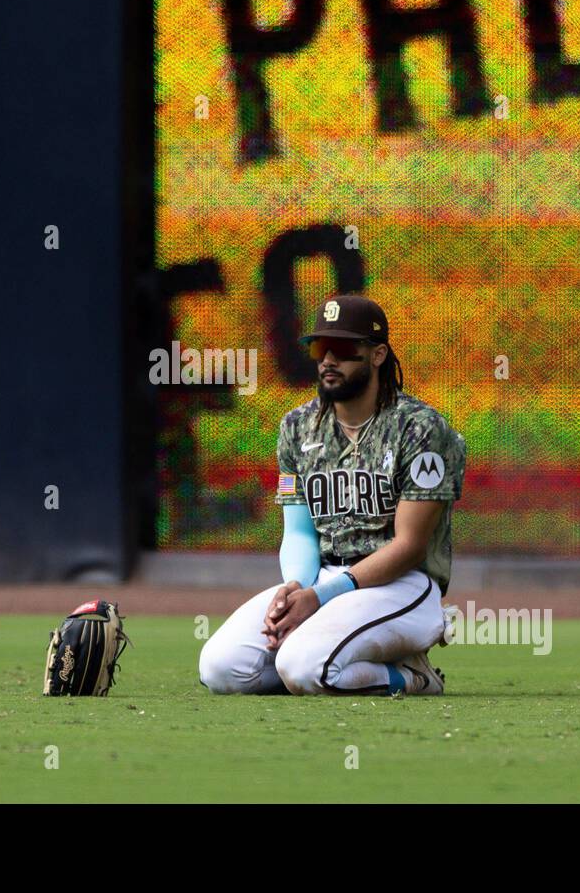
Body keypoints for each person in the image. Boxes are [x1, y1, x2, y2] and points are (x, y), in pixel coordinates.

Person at [198, 294, 466, 696]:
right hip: (321, 576)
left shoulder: (420, 429)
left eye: (342, 350)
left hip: (402, 586)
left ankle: (413, 678)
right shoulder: (299, 427)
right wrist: (294, 588)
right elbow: (301, 534)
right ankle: (340, 660)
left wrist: (321, 597)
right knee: (222, 669)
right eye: (321, 348)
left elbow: (410, 546)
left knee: (303, 666)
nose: (328, 360)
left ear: (377, 355)